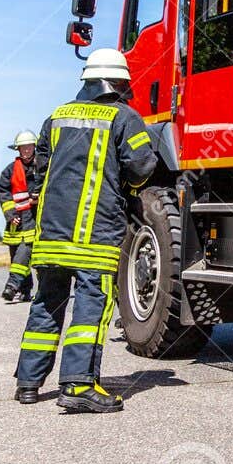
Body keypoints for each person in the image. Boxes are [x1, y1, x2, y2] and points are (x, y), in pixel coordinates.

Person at [13, 48, 157, 412]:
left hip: (50, 235)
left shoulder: (55, 118)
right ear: (119, 82)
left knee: (46, 304)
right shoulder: (124, 117)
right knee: (91, 309)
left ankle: (28, 383)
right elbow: (141, 167)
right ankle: (77, 385)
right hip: (95, 235)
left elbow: (40, 171)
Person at [0, 131, 41, 303]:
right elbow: (3, 192)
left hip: (35, 220)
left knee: (23, 254)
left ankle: (11, 286)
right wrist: (10, 215)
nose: (26, 150)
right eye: (23, 147)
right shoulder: (9, 171)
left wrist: (38, 198)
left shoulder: (42, 167)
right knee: (16, 256)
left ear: (34, 147)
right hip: (17, 221)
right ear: (18, 149)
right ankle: (25, 290)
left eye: (29, 147)